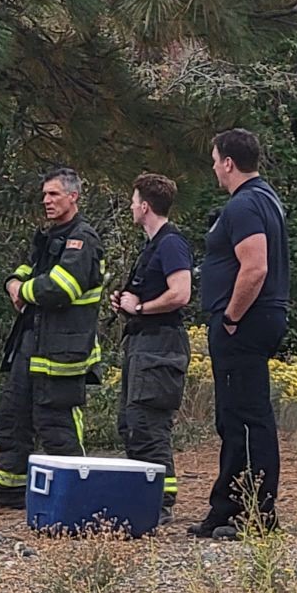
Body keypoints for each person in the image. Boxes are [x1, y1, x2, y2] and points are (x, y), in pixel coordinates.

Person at [0, 168, 105, 511]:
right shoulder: (50, 237)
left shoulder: (82, 240)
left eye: (54, 194)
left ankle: (78, 495)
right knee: (13, 415)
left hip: (63, 350)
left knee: (55, 421)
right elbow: (25, 270)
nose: (46, 200)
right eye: (45, 194)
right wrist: (14, 283)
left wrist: (23, 291)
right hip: (33, 342)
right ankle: (10, 490)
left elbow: (60, 288)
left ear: (73, 197)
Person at [192, 129, 290, 541]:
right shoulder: (265, 199)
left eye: (215, 159)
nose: (214, 167)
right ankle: (227, 508)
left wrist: (231, 317)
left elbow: (255, 267)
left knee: (247, 420)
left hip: (245, 322)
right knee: (233, 417)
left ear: (228, 162)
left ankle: (256, 514)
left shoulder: (247, 204)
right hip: (255, 320)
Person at [111, 174, 192, 524]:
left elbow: (180, 293)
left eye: (133, 200)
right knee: (130, 424)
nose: (130, 206)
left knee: (148, 424)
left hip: (161, 346)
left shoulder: (171, 244)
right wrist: (126, 302)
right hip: (143, 344)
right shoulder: (152, 246)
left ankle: (161, 503)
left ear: (145, 206)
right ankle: (143, 497)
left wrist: (140, 308)